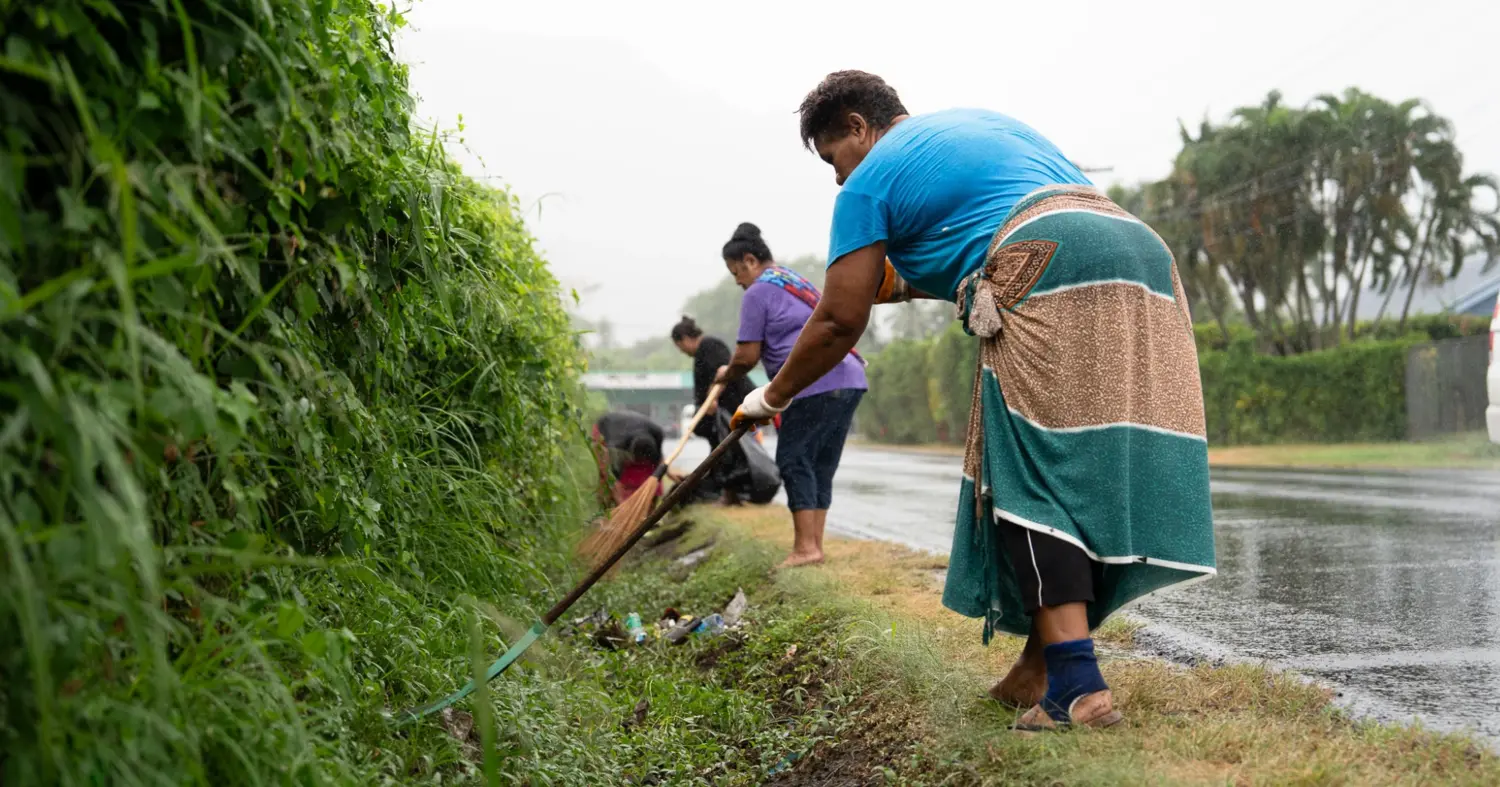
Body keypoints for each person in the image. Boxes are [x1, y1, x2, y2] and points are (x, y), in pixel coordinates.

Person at [730, 71, 1215, 731]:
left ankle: (1078, 687)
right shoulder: (983, 128)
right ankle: (1040, 664)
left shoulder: (871, 180)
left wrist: (771, 396)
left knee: (1030, 474)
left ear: (856, 127)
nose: (839, 180)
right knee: (1088, 465)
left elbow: (841, 322)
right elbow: (947, 256)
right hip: (1136, 251)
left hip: (1045, 259)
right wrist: (886, 277)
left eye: (832, 159)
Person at [714, 223, 868, 568]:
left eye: (736, 272)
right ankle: (814, 546)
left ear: (750, 260)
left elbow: (746, 356)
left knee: (794, 458)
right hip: (850, 376)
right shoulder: (791, 280)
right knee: (820, 463)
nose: (738, 281)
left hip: (813, 381)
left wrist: (726, 374)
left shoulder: (758, 291)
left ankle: (805, 548)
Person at [670, 316, 755, 504]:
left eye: (680, 347)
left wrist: (712, 398)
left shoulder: (710, 345)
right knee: (721, 451)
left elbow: (724, 370)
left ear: (684, 339)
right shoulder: (702, 351)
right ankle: (725, 491)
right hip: (720, 413)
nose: (683, 352)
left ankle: (733, 494)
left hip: (731, 409)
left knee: (729, 452)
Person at [590, 410, 674, 506]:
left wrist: (668, 472)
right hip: (603, 428)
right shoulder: (617, 442)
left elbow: (659, 461)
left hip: (637, 428)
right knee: (604, 478)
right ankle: (604, 508)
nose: (641, 462)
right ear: (631, 453)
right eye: (639, 459)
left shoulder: (658, 433)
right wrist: (620, 501)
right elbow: (606, 470)